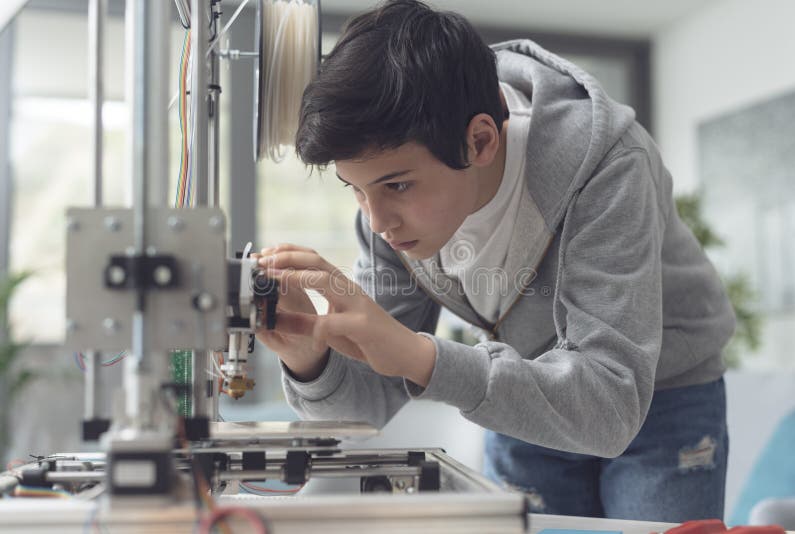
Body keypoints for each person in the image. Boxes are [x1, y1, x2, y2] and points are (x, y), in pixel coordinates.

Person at [254, 0, 736, 522]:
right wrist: (311, 358)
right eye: (355, 190)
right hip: (525, 388)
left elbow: (610, 406)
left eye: (398, 184)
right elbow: (367, 404)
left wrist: (421, 356)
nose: (376, 222)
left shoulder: (608, 168)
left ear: (480, 139)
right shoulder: (387, 219)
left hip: (662, 395)